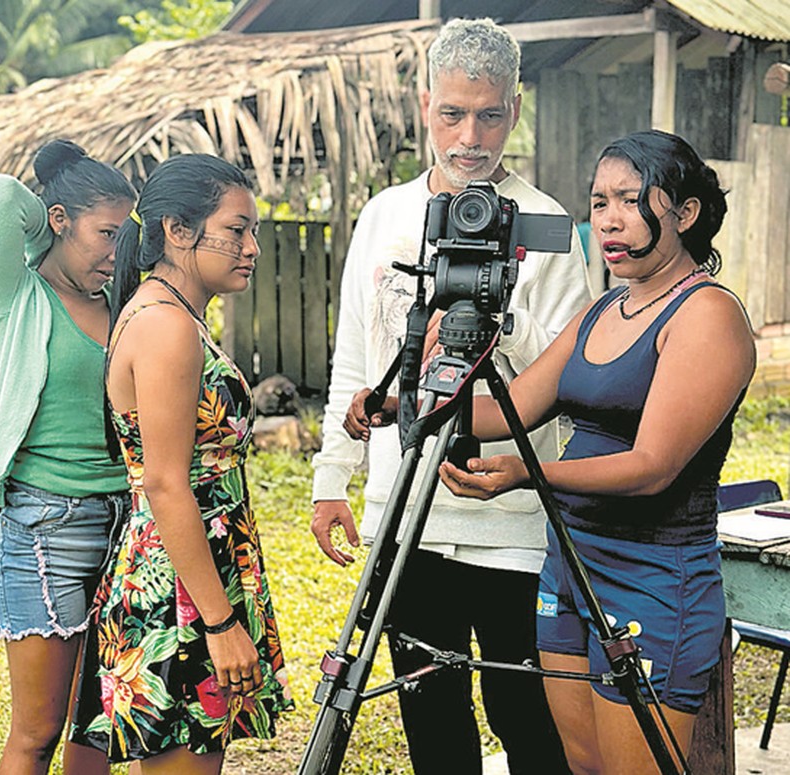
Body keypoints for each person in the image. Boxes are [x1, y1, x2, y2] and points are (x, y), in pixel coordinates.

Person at [311, 18, 591, 775]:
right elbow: (352, 357)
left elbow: (577, 372)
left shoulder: (551, 226)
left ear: (516, 108)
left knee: (528, 717)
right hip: (407, 513)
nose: (471, 136)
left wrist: (501, 322)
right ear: (423, 102)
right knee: (431, 716)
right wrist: (331, 479)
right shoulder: (382, 217)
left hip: (515, 522)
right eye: (452, 113)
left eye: (490, 114)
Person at [438, 129, 756, 774]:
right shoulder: (603, 309)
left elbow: (651, 468)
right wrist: (411, 396)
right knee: (582, 767)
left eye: (629, 200)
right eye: (598, 201)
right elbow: (506, 413)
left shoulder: (707, 315)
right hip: (571, 566)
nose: (607, 220)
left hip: (656, 579)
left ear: (685, 213)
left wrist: (525, 476)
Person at [69, 153, 292, 774]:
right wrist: (219, 623)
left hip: (189, 572)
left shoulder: (169, 312)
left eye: (253, 232)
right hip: (181, 587)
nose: (251, 247)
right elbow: (167, 485)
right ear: (176, 230)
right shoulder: (166, 326)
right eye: (237, 229)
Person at [0, 139, 137, 774]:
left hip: (126, 526)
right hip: (45, 529)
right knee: (39, 729)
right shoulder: (14, 297)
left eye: (128, 236)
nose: (117, 251)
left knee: (96, 722)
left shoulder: (123, 306)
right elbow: (1, 198)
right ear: (60, 221)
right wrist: (54, 203)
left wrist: (93, 226)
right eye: (106, 232)